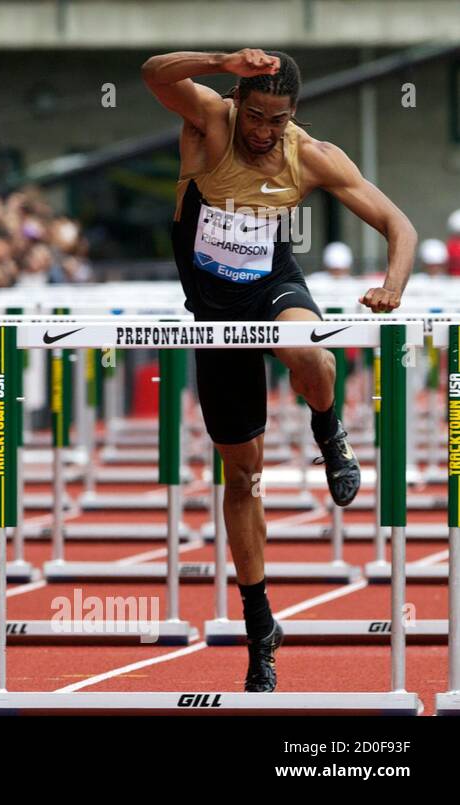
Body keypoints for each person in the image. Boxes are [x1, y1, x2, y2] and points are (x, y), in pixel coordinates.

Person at [143, 48, 416, 692]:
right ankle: (260, 626)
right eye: (257, 116)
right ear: (238, 101)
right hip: (213, 317)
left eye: (279, 119)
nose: (265, 131)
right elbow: (155, 75)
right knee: (243, 477)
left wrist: (392, 286)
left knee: (309, 353)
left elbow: (396, 223)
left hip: (273, 290)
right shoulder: (209, 118)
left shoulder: (311, 153)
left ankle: (329, 429)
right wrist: (218, 59)